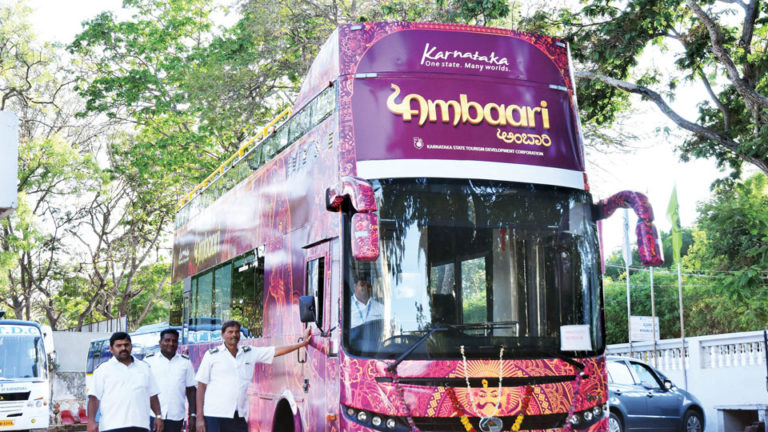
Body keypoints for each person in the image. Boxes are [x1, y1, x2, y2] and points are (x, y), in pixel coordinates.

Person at [195, 320, 312, 432]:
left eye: (237, 332)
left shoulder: (249, 353)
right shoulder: (211, 356)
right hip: (215, 415)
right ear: (222, 335)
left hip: (239, 416)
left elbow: (275, 351)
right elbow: (201, 386)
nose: (234, 335)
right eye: (230, 332)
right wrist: (199, 417)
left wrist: (302, 343)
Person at [87, 332, 163, 432]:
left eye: (126, 345)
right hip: (112, 426)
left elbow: (152, 395)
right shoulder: (103, 370)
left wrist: (158, 416)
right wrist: (91, 421)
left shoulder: (144, 368)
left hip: (140, 425)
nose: (123, 348)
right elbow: (94, 398)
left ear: (131, 346)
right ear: (111, 349)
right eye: (119, 346)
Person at [144, 329, 196, 432]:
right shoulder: (149, 361)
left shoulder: (185, 362)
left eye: (174, 341)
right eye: (167, 340)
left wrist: (193, 414)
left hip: (176, 416)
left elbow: (191, 390)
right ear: (160, 342)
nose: (171, 344)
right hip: (152, 415)